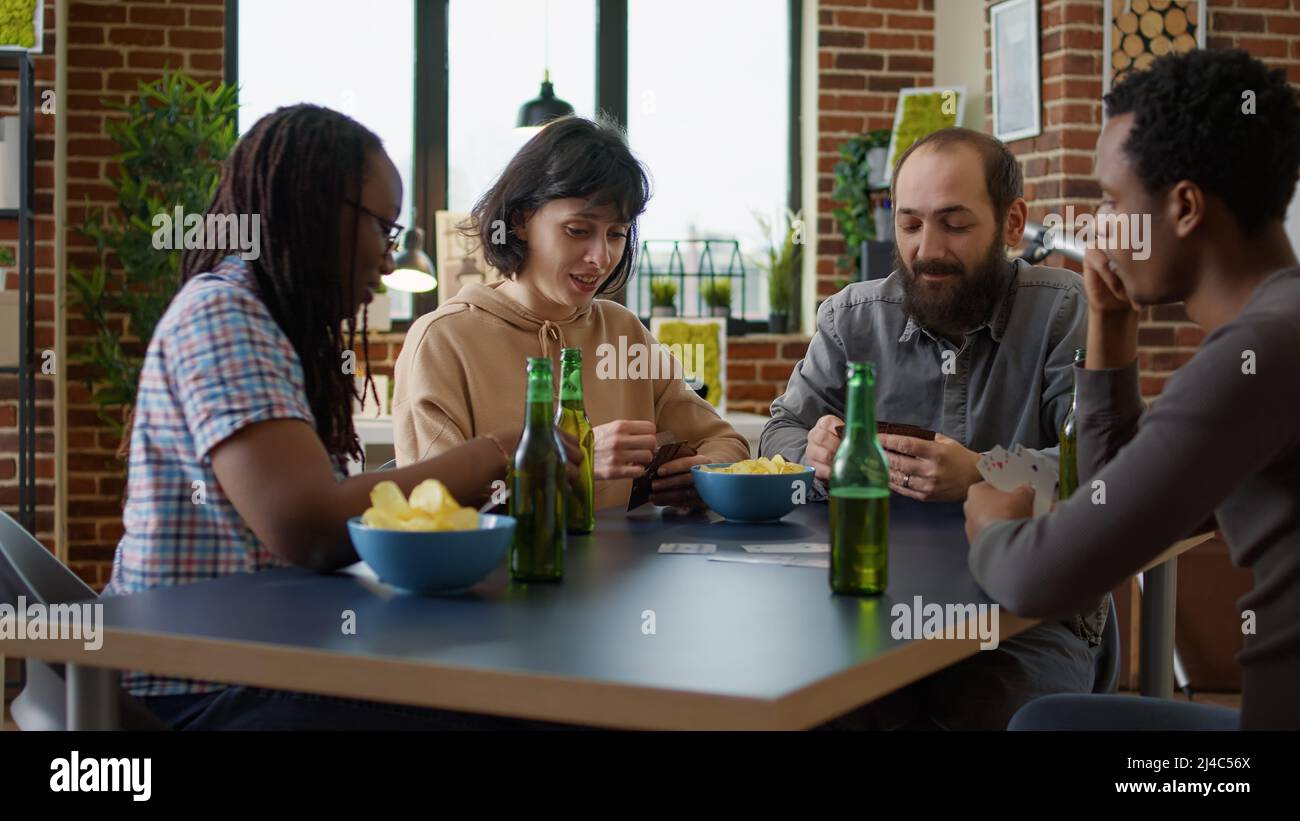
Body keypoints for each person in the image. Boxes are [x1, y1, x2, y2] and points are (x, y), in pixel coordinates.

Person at [106, 104, 579, 730]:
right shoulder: (224, 314)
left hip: (266, 657)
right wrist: (500, 449)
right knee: (523, 705)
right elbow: (309, 529)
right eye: (383, 229)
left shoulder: (277, 324)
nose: (388, 262)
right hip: (199, 687)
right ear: (317, 209)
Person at [967, 49, 1300, 731]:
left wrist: (994, 526)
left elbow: (1050, 576)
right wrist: (1110, 324)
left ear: (1183, 207)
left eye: (1113, 201)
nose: (1096, 226)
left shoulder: (1254, 356)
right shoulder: (1277, 328)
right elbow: (1117, 501)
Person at [765, 127, 1100, 730]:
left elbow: (1105, 473)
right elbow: (779, 432)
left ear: (1011, 223)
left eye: (954, 223)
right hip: (869, 602)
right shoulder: (850, 318)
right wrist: (810, 451)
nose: (926, 249)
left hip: (1023, 613)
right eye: (910, 224)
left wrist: (982, 472)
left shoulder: (1063, 309)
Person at [393, 116, 748, 511]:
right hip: (493, 570)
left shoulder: (623, 331)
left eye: (616, 234)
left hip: (616, 572)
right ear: (520, 221)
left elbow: (726, 442)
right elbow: (431, 508)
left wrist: (705, 475)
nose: (601, 257)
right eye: (578, 230)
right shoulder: (444, 340)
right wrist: (568, 462)